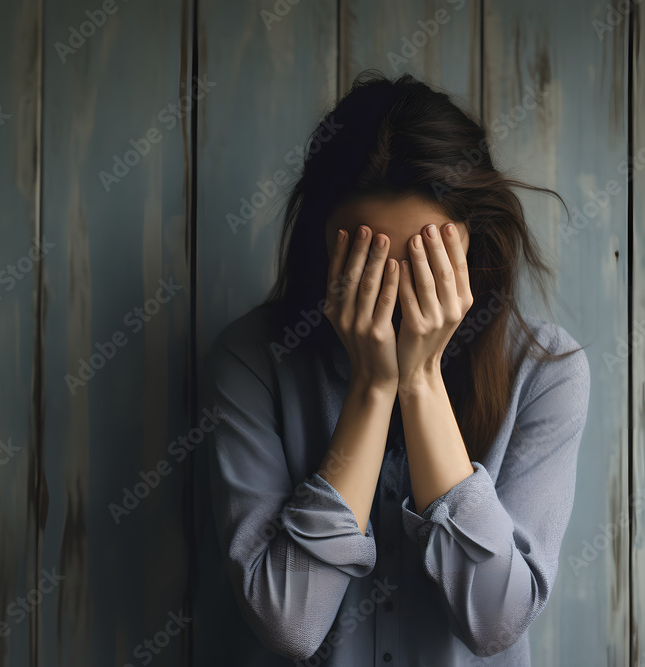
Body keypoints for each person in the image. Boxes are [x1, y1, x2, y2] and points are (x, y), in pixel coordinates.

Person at [194, 71, 591, 666]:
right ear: (324, 245)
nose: (398, 294)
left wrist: (421, 380)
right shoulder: (250, 361)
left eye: (425, 260)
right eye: (368, 262)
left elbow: (495, 623)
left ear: (472, 242)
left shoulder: (544, 373)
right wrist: (373, 388)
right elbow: (289, 623)